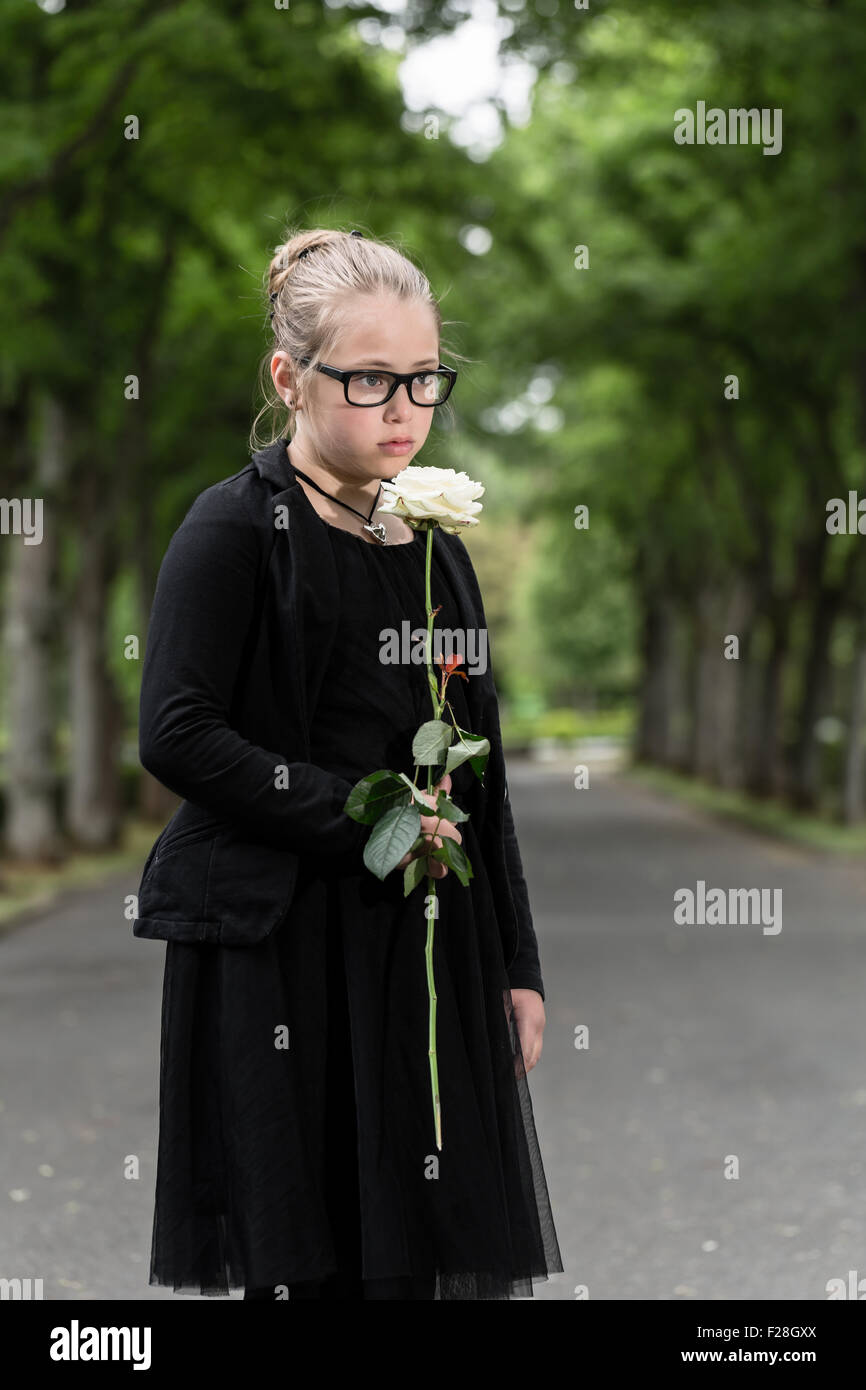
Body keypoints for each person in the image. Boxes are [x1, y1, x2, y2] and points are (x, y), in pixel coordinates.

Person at [135, 225, 563, 1301]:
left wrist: (513, 962)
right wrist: (361, 815)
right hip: (278, 946)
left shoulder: (436, 551)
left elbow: (479, 778)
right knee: (308, 1260)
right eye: (370, 378)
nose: (404, 409)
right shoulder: (233, 530)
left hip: (422, 946)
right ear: (290, 376)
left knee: (425, 1252)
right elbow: (177, 731)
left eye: (423, 379)